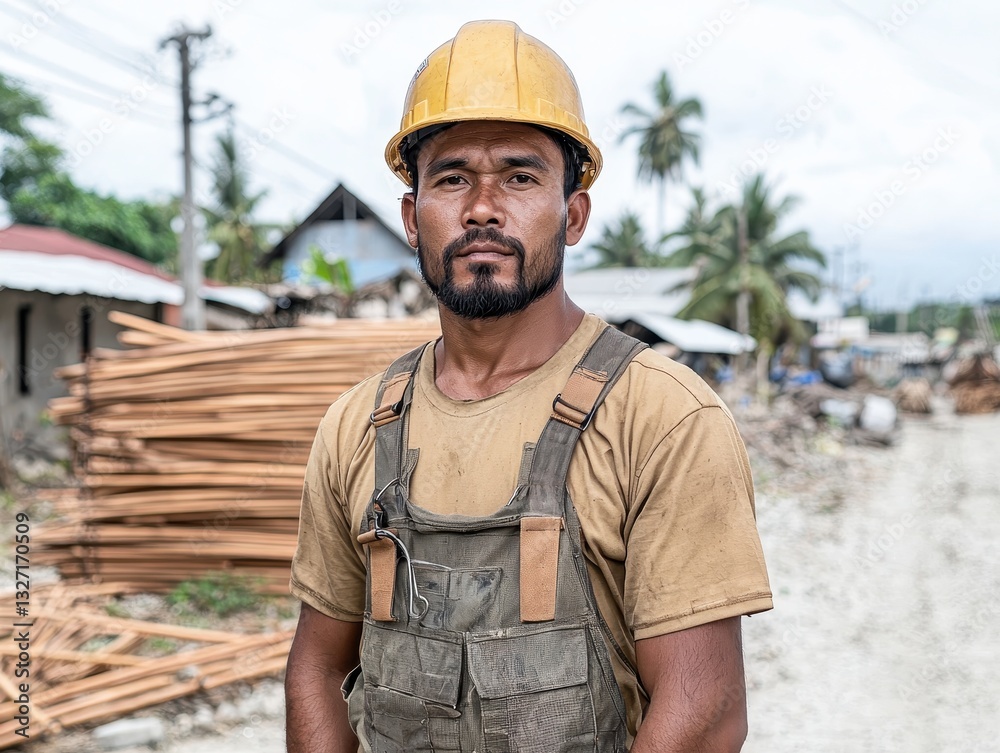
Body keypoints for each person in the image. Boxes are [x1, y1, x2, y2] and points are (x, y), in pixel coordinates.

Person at [285, 19, 772, 753]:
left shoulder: (662, 417)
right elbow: (317, 670)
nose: (483, 207)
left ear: (572, 215)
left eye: (519, 175)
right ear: (412, 218)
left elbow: (703, 712)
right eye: (452, 177)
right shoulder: (359, 426)